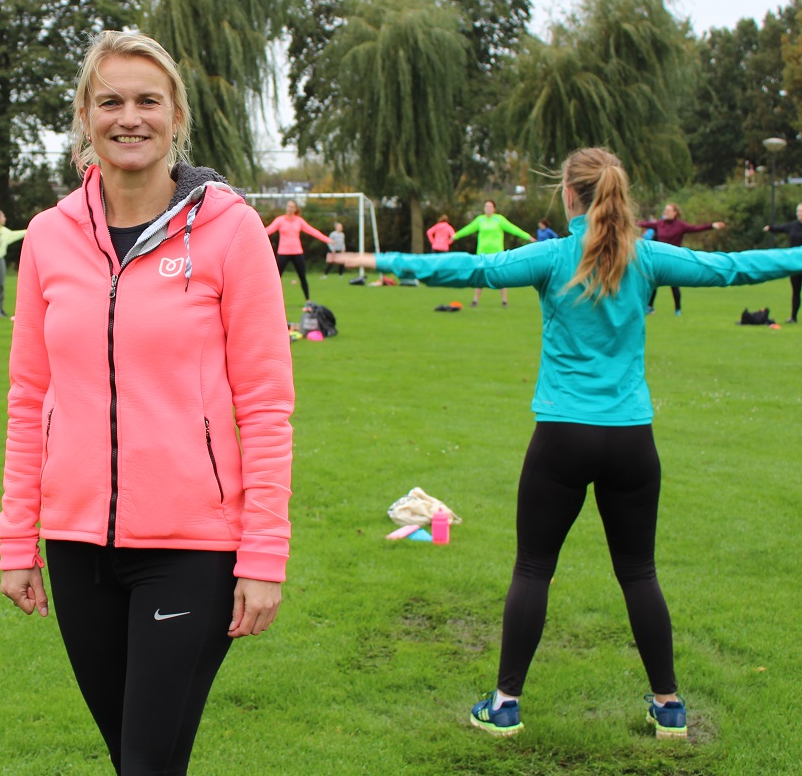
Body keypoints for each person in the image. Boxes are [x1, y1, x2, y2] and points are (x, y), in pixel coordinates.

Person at [334, 148, 802, 740]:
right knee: (639, 573)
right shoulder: (648, 255)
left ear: (569, 196)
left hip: (562, 437)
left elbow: (469, 271)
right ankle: (669, 706)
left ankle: (505, 705)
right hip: (631, 439)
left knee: (533, 568)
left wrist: (379, 257)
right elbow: (733, 267)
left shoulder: (556, 255)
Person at [0, 31, 293, 773]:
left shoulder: (230, 232)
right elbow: (29, 395)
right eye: (111, 101)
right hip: (77, 547)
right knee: (133, 754)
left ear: (176, 116)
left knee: (147, 764)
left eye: (147, 101)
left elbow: (264, 405)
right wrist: (16, 538)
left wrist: (264, 552)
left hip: (191, 548)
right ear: (85, 116)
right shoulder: (47, 237)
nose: (129, 117)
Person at [639, 203, 725, 316]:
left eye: (668, 210)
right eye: (665, 210)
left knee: (674, 285)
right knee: (653, 283)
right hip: (659, 259)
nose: (666, 212)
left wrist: (712, 225)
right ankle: (649, 307)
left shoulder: (680, 226)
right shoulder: (660, 224)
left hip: (674, 258)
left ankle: (677, 310)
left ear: (675, 213)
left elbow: (696, 228)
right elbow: (644, 224)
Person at [452, 200, 533, 306]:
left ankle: (504, 300)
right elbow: (468, 229)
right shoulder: (480, 220)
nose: (488, 209)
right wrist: (455, 235)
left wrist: (528, 237)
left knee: (501, 276)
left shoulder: (499, 219)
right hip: (482, 254)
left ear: (494, 209)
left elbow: (513, 229)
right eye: (486, 206)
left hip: (497, 254)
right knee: (479, 276)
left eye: (490, 207)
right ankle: (475, 300)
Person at [265, 199, 330, 299]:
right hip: (283, 253)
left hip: (297, 252)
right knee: (276, 278)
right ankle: (272, 299)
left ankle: (308, 300)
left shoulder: (299, 221)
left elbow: (312, 231)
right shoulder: (280, 220)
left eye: (292, 207)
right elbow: (268, 230)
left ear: (295, 209)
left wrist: (327, 240)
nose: (289, 208)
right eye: (288, 206)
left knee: (302, 277)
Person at [764, 202, 802, 323]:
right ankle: (793, 317)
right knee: (796, 291)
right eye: (798, 211)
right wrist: (770, 228)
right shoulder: (793, 226)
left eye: (801, 211)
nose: (799, 214)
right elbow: (780, 228)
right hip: (795, 265)